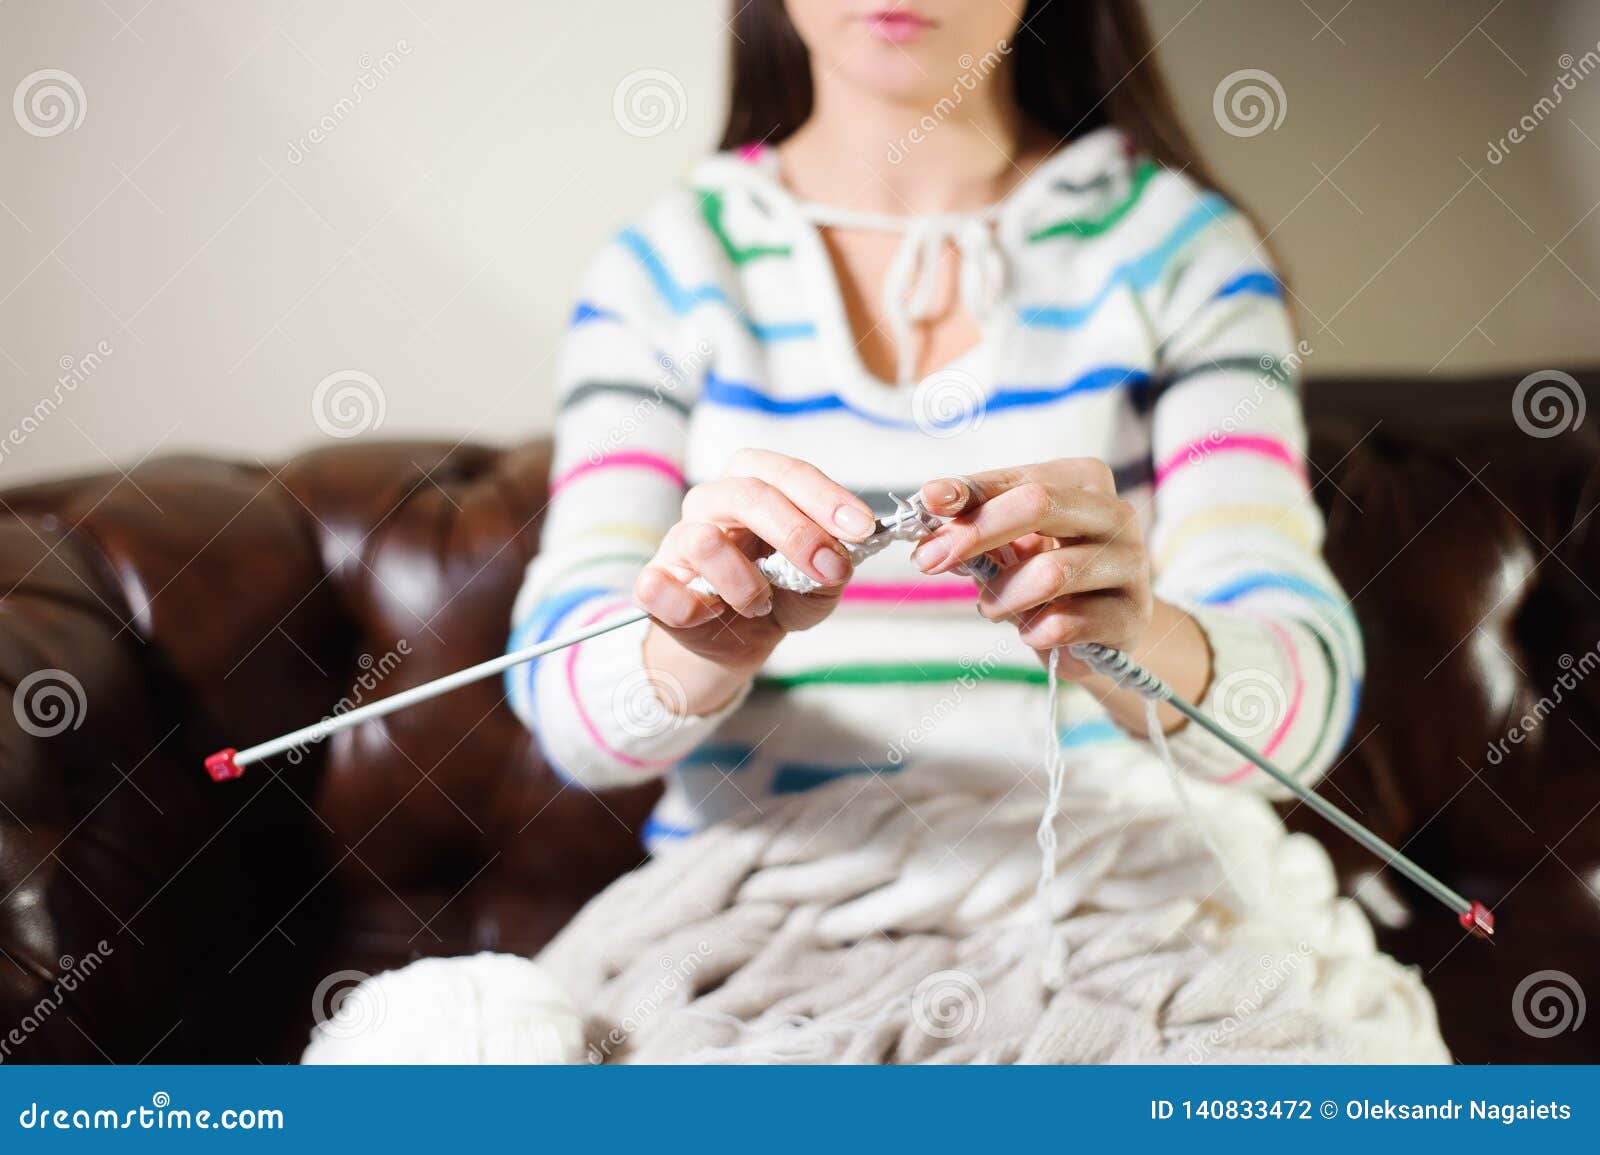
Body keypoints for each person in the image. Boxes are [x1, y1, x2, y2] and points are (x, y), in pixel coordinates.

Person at [506, 0, 1449, 1063]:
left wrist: (1131, 639)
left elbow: (1299, 712)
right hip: (755, 907)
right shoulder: (661, 270)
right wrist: (689, 644)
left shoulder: (1183, 254)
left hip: (1138, 906)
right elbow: (565, 707)